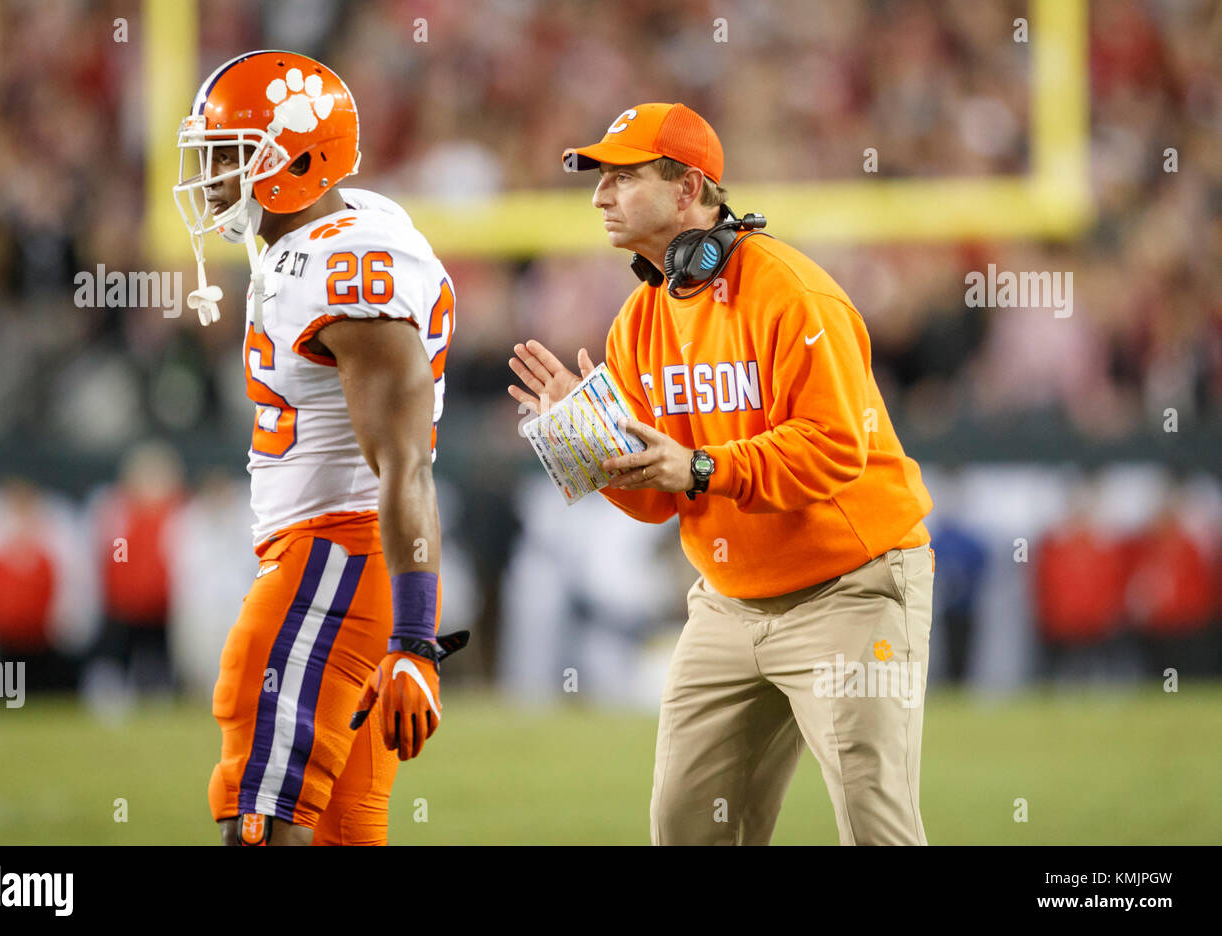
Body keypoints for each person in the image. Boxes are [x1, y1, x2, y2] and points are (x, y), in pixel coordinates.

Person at [508, 103, 936, 845]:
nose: (599, 196)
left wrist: (702, 466)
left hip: (851, 590)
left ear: (688, 190)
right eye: (598, 180)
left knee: (876, 825)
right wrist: (588, 442)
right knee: (687, 827)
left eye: (622, 177)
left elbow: (837, 448)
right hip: (728, 604)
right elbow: (657, 503)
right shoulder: (638, 321)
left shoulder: (790, 292)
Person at [173, 51, 462, 846]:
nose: (214, 177)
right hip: (342, 564)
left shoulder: (342, 263)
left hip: (332, 564)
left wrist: (415, 641)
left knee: (262, 820)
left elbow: (405, 463)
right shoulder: (331, 236)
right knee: (343, 830)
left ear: (299, 154)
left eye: (233, 154)